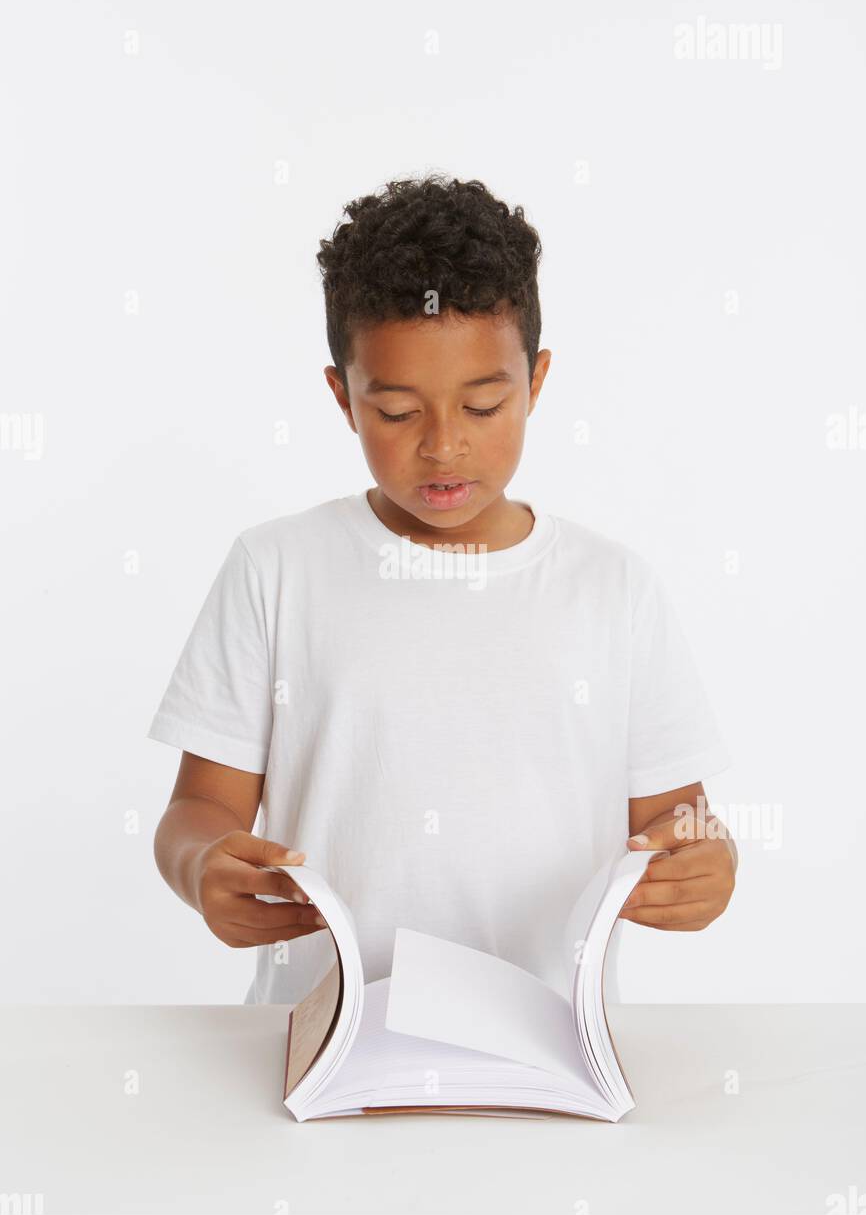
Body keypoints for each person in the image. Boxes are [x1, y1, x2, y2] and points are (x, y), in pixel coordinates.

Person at [147, 173, 737, 1008]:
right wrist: (202, 865)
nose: (444, 446)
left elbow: (679, 814)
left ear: (536, 382)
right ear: (343, 398)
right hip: (328, 1046)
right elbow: (197, 809)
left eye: (485, 404)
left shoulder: (614, 589)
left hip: (548, 1051)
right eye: (395, 412)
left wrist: (706, 859)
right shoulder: (275, 570)